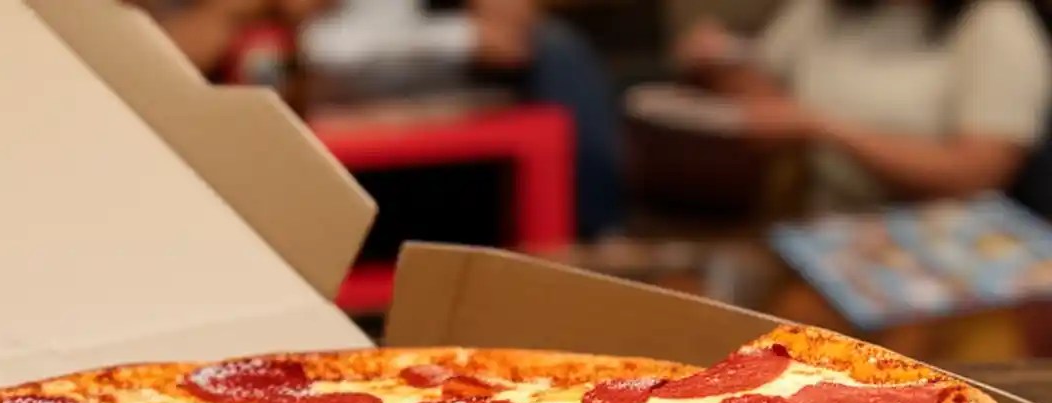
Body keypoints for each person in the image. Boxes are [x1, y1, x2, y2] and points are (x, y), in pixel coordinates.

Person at [675, 0, 1052, 213]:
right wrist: (721, 64)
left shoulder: (996, 23)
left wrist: (828, 129)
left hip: (942, 255)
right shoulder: (827, 10)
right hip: (817, 234)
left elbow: (977, 173)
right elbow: (771, 96)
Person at [301, 0, 625, 239]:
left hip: (461, 75)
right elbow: (321, 46)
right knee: (556, 53)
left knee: (558, 49)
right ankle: (598, 228)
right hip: (361, 80)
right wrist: (465, 38)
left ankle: (597, 230)